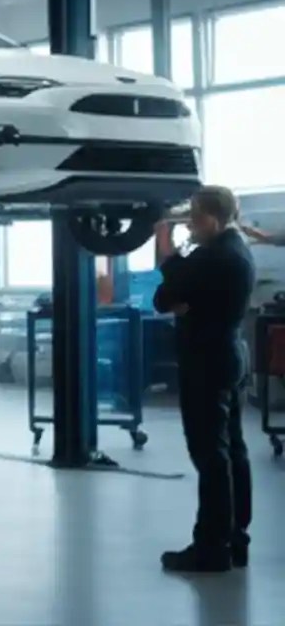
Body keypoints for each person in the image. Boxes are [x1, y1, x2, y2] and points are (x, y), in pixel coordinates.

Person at [153, 186, 255, 573]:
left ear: (213, 218)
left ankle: (211, 547)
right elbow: (168, 299)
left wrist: (166, 246)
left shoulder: (215, 256)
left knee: (210, 456)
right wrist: (178, 294)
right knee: (233, 452)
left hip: (207, 361)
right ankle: (235, 538)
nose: (191, 226)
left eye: (195, 218)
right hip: (229, 356)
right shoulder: (236, 249)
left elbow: (167, 294)